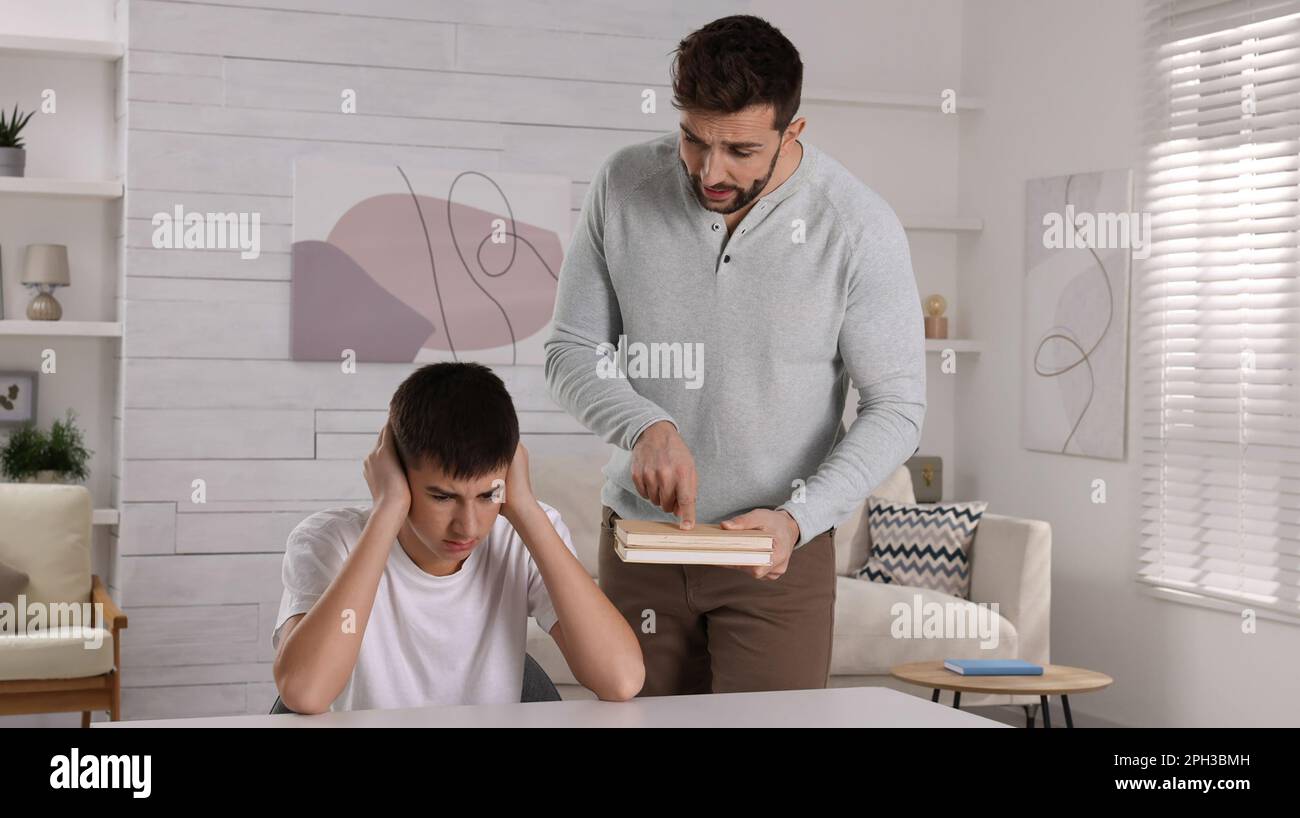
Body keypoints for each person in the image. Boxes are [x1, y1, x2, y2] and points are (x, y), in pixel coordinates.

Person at [544, 15, 926, 695]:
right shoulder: (624, 185)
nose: (710, 171)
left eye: (741, 150)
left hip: (779, 556)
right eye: (693, 140)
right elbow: (571, 349)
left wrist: (801, 517)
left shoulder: (858, 226)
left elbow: (897, 408)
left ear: (793, 132)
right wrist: (644, 425)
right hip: (642, 547)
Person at [272, 362, 644, 713]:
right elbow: (306, 692)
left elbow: (621, 679)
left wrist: (526, 510)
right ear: (396, 473)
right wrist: (388, 510)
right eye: (442, 497)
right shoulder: (327, 540)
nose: (468, 527)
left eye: (487, 495)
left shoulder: (521, 531)